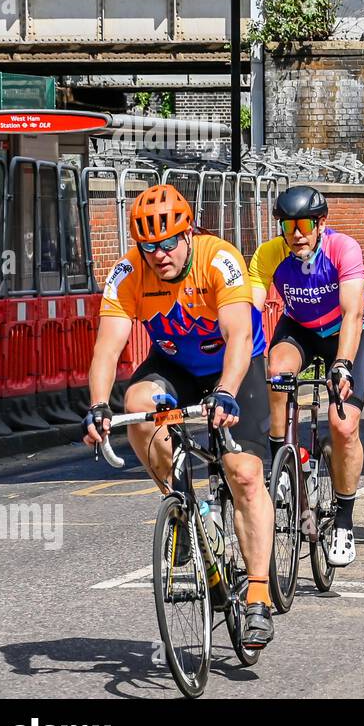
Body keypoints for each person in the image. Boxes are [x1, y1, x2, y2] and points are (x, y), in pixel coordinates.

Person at [81, 184, 275, 648]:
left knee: (244, 474)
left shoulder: (219, 259)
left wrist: (226, 391)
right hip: (176, 365)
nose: (160, 254)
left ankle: (259, 597)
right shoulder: (128, 272)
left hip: (233, 364)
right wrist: (96, 406)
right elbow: (107, 349)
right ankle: (186, 506)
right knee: (136, 405)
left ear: (188, 234)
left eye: (169, 242)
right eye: (149, 246)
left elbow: (237, 337)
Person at [249, 185, 364, 567]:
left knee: (344, 425)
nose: (296, 234)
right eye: (288, 227)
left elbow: (352, 313)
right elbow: (251, 313)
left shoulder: (343, 249)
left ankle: (344, 522)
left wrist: (342, 364)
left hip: (344, 331)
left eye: (304, 224)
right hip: (300, 328)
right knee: (275, 371)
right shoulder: (269, 255)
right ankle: (281, 464)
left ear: (321, 223)